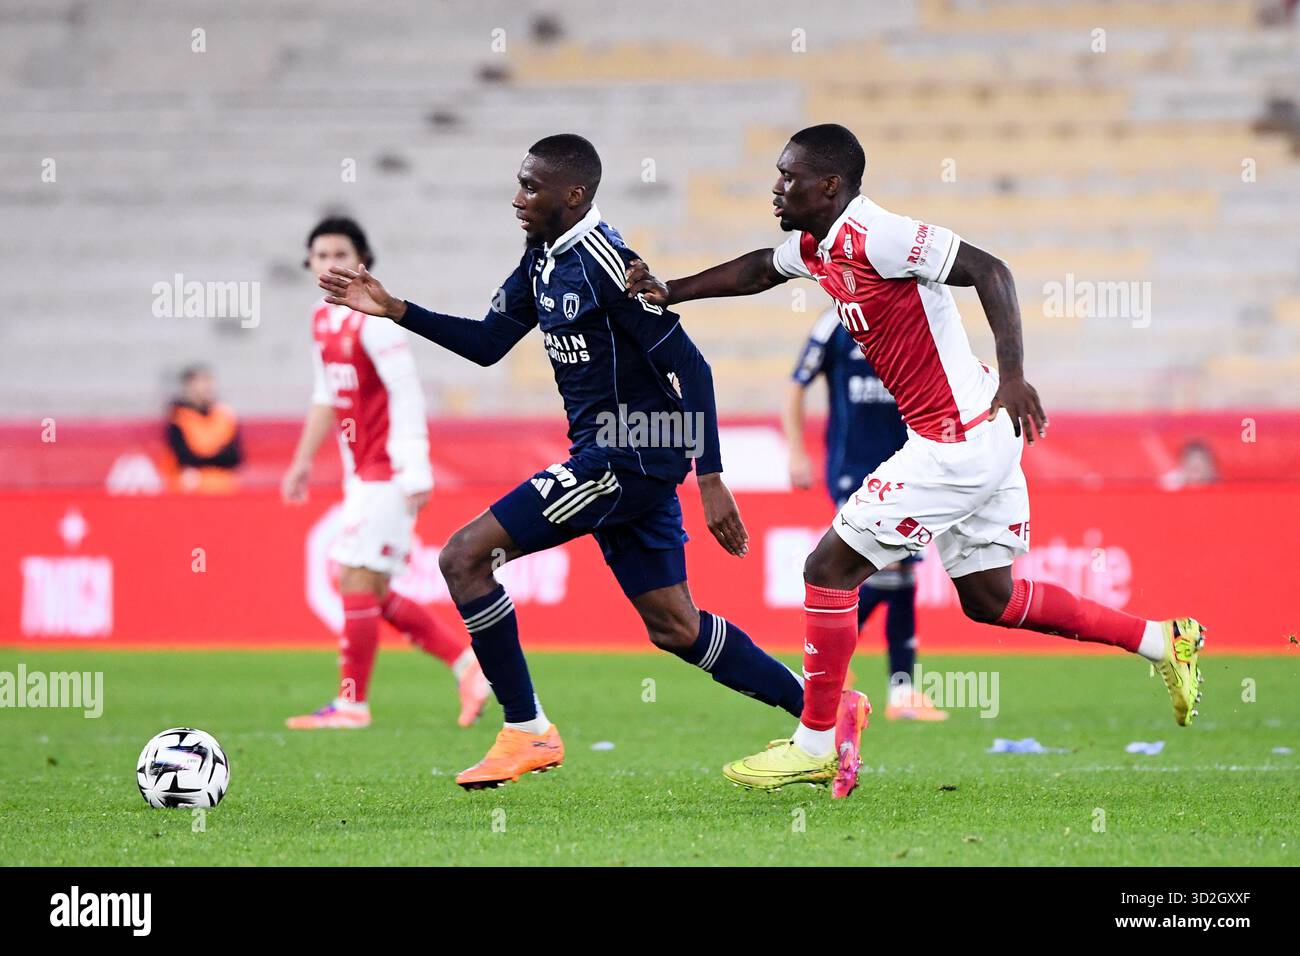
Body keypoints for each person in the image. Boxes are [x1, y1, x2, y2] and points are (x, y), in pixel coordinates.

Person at [626, 123, 1205, 797]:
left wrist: (1016, 374)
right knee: (991, 599)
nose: (776, 187)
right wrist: (672, 289)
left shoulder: (884, 236)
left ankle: (816, 742)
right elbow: (759, 268)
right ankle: (1167, 641)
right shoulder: (817, 244)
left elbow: (990, 270)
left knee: (826, 567)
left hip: (960, 439)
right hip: (976, 433)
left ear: (830, 185)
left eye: (789, 176)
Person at [318, 134, 868, 791]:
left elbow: (689, 364)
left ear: (573, 195)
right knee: (675, 627)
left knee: (464, 557)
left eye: (531, 187)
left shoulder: (609, 262)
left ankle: (527, 730)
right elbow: (490, 342)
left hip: (627, 455)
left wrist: (711, 476)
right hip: (613, 454)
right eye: (519, 183)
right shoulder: (542, 257)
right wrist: (396, 309)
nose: (517, 198)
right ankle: (827, 709)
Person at [282, 216, 488, 730]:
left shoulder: (371, 321)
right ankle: (469, 666)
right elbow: (325, 395)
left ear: (361, 262)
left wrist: (416, 469)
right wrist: (303, 461)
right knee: (368, 587)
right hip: (362, 476)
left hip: (389, 471)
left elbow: (407, 391)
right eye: (321, 255)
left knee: (355, 577)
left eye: (340, 254)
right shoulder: (320, 321)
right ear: (309, 262)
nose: (330, 263)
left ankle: (352, 704)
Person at [786, 308, 947, 720]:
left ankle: (836, 672)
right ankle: (873, 682)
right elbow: (797, 385)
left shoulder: (907, 322)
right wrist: (797, 451)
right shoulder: (833, 326)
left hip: (906, 469)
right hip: (852, 472)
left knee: (901, 575)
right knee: (889, 571)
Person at [164, 364, 243, 494]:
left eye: (208, 381)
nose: (205, 387)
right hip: (188, 492)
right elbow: (185, 457)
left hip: (224, 490)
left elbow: (235, 456)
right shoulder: (178, 418)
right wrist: (217, 456)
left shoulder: (224, 417)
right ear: (187, 387)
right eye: (199, 382)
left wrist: (204, 457)